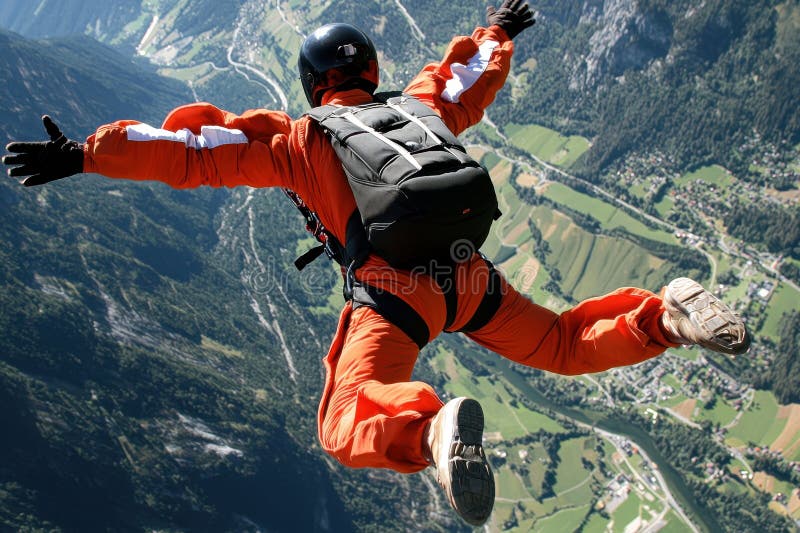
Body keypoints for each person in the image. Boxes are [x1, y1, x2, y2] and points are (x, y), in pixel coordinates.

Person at [3, 0, 750, 526]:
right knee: (560, 342)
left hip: (397, 292)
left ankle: (427, 430)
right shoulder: (420, 106)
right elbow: (470, 78)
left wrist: (84, 153)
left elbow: (194, 153)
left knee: (341, 421)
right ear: (371, 69)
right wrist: (497, 32)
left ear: (310, 81)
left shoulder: (300, 140)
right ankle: (666, 313)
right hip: (467, 271)